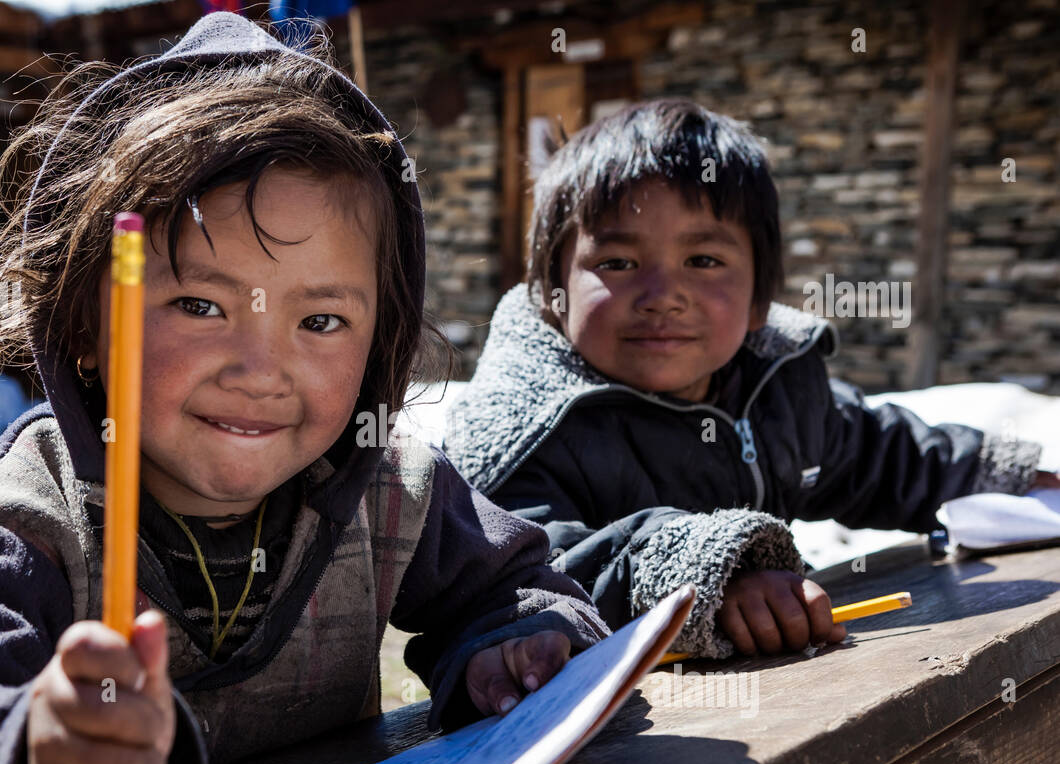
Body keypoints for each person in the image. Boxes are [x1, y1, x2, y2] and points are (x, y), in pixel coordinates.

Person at [0, 13, 608, 764]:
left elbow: (522, 593)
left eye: (321, 320)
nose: (261, 371)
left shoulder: (389, 489)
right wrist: (29, 760)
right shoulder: (22, 524)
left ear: (379, 343)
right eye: (200, 306)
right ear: (83, 324)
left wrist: (513, 651)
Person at [444, 98, 1054, 662]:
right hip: (613, 723)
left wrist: (1002, 474)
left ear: (760, 297)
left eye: (704, 260)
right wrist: (711, 576)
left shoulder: (776, 388)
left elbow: (880, 456)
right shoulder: (526, 431)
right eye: (618, 262)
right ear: (551, 292)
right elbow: (538, 565)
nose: (663, 296)